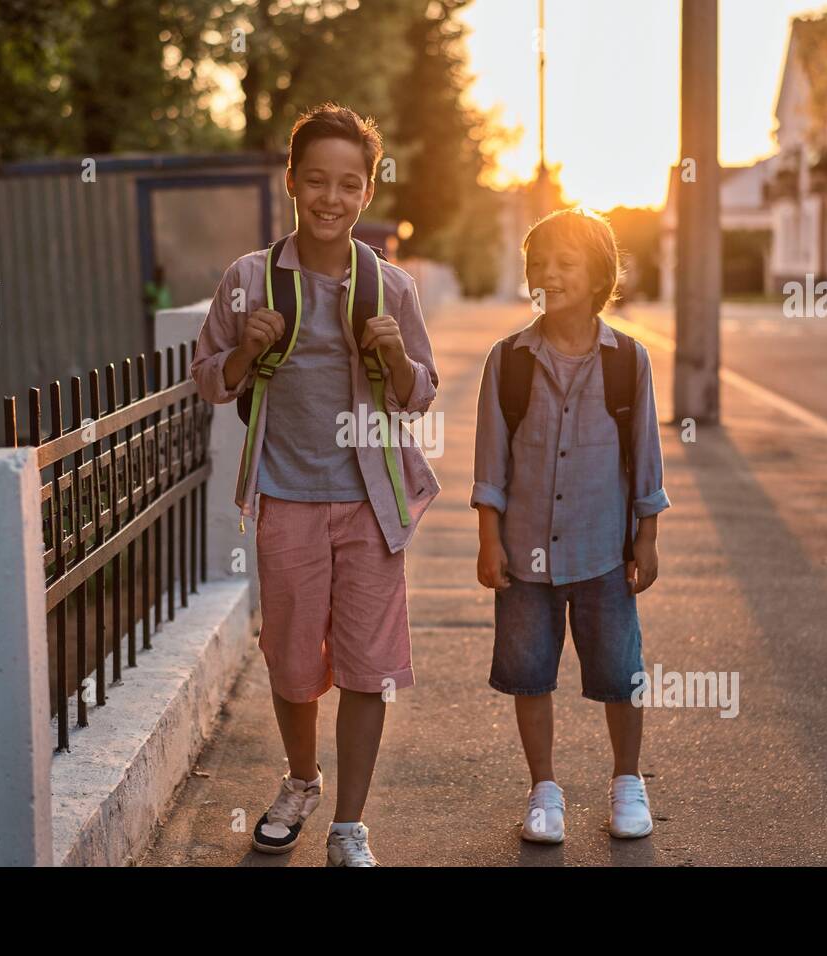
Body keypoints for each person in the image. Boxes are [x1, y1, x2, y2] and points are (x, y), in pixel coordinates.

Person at [190, 102, 440, 866]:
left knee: (367, 665)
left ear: (367, 192)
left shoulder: (388, 286)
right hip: (285, 501)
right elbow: (209, 380)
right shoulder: (249, 280)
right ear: (292, 181)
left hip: (371, 503)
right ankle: (302, 781)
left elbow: (419, 393)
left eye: (350, 184)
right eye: (318, 181)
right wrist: (245, 351)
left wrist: (396, 357)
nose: (333, 198)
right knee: (293, 665)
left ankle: (348, 825)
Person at [471, 207, 670, 843]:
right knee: (530, 671)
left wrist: (647, 535)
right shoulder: (508, 361)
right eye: (538, 265)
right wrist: (488, 537)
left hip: (603, 553)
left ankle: (627, 782)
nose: (547, 275)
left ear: (598, 277)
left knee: (620, 673)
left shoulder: (627, 361)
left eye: (564, 264)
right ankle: (545, 790)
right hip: (524, 552)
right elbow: (490, 461)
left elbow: (644, 454)